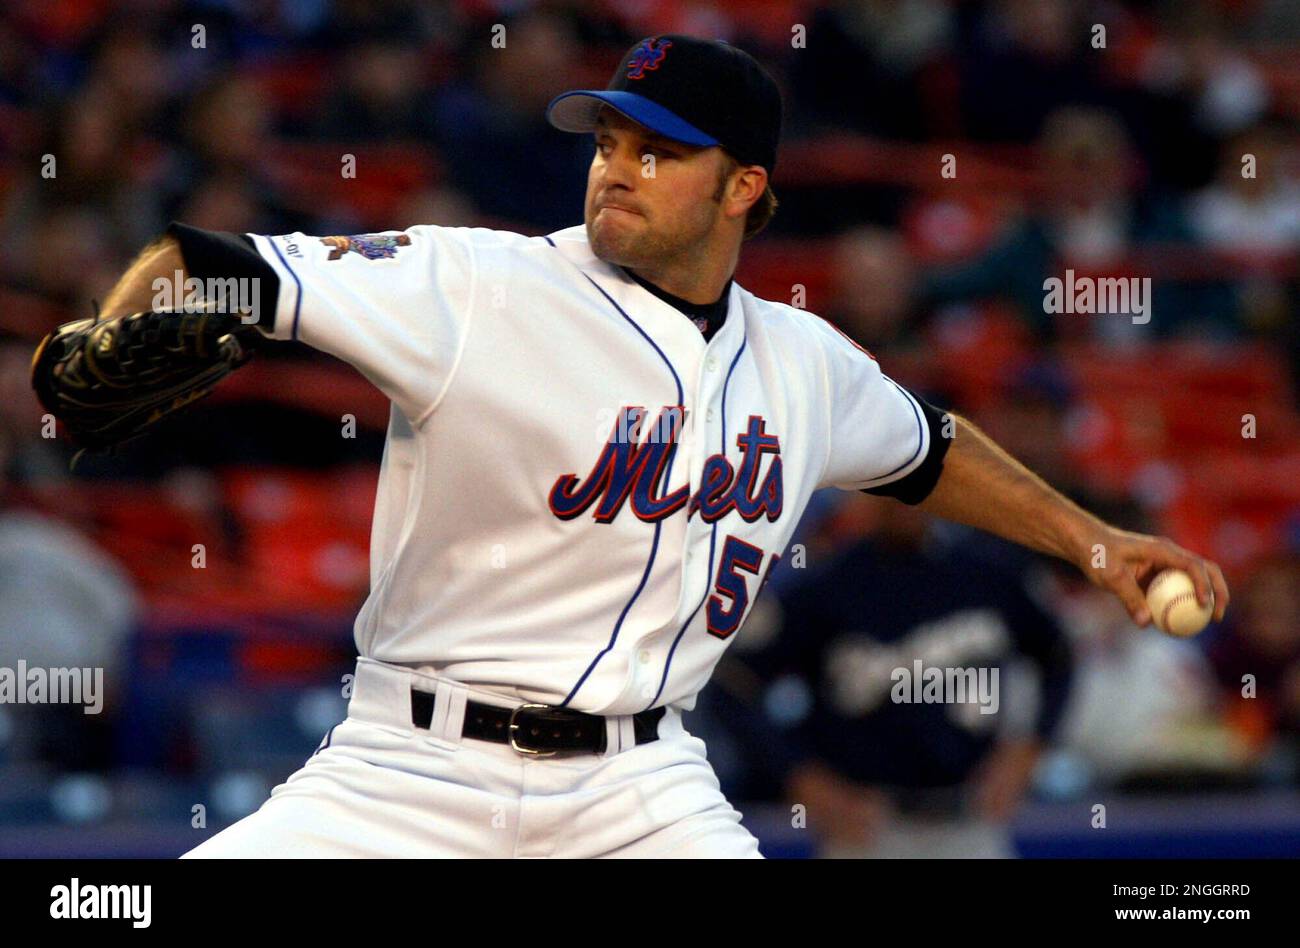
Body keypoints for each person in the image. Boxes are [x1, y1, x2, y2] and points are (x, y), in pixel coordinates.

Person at [41, 34, 1229, 858]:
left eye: (657, 152)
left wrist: (1091, 540)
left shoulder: (805, 364)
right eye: (609, 140)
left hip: (640, 787)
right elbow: (215, 263)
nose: (617, 167)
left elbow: (927, 448)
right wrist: (117, 321)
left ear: (742, 188)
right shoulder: (481, 281)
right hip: (410, 766)